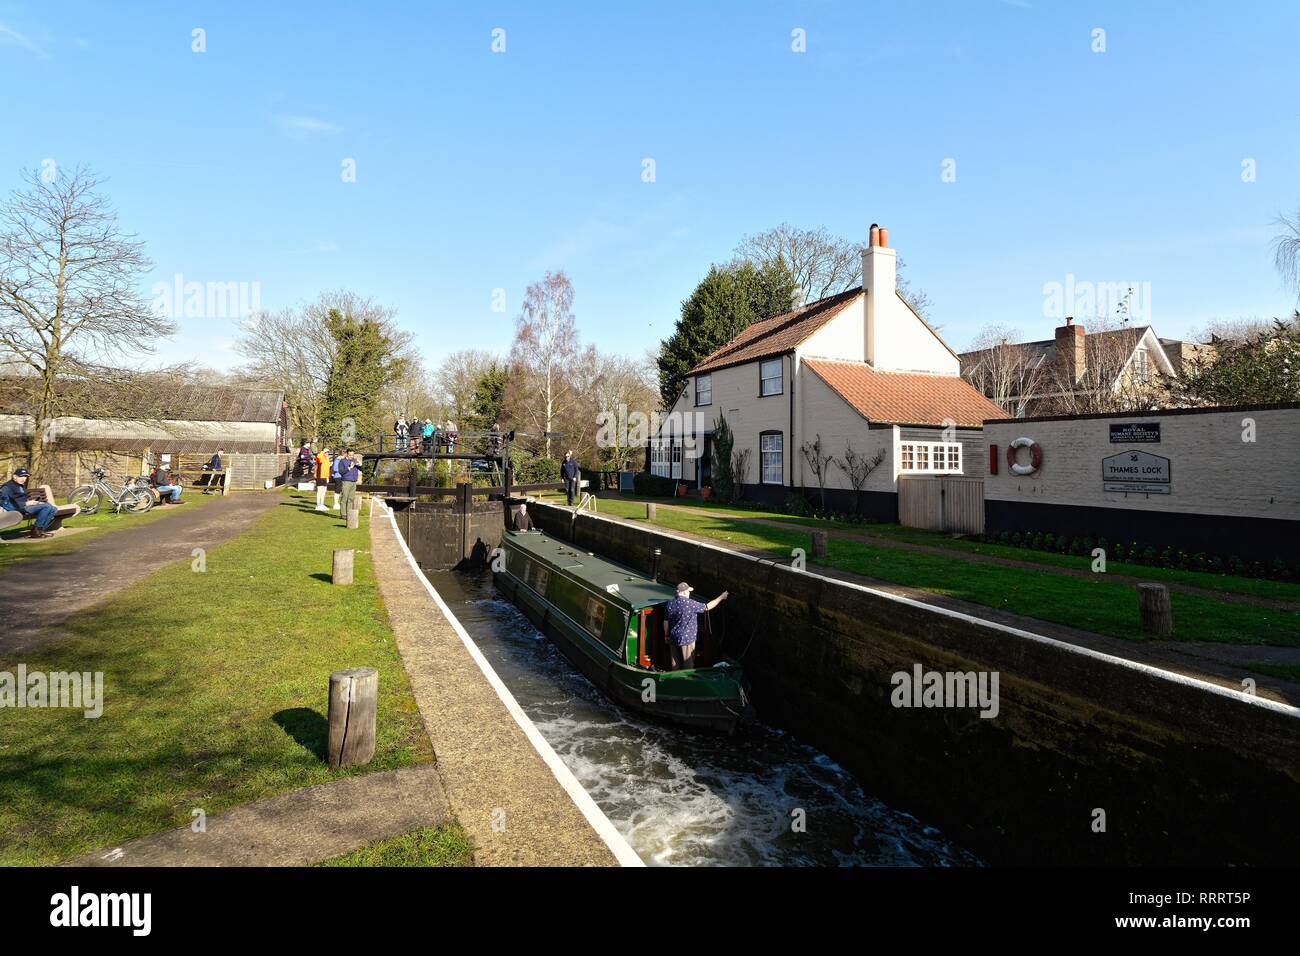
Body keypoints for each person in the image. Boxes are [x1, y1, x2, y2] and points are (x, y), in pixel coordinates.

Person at [663, 582, 728, 671]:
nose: (689, 593)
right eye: (689, 591)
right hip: (687, 639)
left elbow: (666, 621)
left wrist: (666, 636)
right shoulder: (690, 604)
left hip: (673, 637)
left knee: (675, 664)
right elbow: (707, 607)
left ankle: (675, 680)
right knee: (688, 664)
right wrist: (721, 597)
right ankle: (686, 681)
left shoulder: (669, 604)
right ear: (685, 592)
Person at [0, 467, 59, 539]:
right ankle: (35, 531)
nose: (24, 479)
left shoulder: (20, 485)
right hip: (16, 510)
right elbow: (7, 504)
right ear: (14, 476)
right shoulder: (7, 487)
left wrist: (35, 502)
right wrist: (26, 503)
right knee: (47, 507)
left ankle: (40, 530)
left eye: (25, 476)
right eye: (21, 476)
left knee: (53, 508)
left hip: (24, 507)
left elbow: (22, 499)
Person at [337, 449, 361, 518]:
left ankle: (349, 514)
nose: (351, 456)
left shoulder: (355, 460)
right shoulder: (342, 461)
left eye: (352, 455)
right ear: (347, 454)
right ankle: (343, 514)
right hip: (346, 481)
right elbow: (341, 472)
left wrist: (360, 465)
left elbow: (361, 469)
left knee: (351, 499)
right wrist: (348, 468)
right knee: (344, 498)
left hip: (353, 482)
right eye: (350, 455)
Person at [314, 446, 332, 511]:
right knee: (319, 491)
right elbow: (318, 457)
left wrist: (328, 477)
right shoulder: (321, 458)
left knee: (324, 491)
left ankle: (322, 504)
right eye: (326, 452)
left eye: (328, 452)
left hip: (325, 477)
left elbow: (327, 469)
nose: (327, 453)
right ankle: (318, 505)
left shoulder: (327, 459)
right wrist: (323, 451)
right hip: (320, 476)